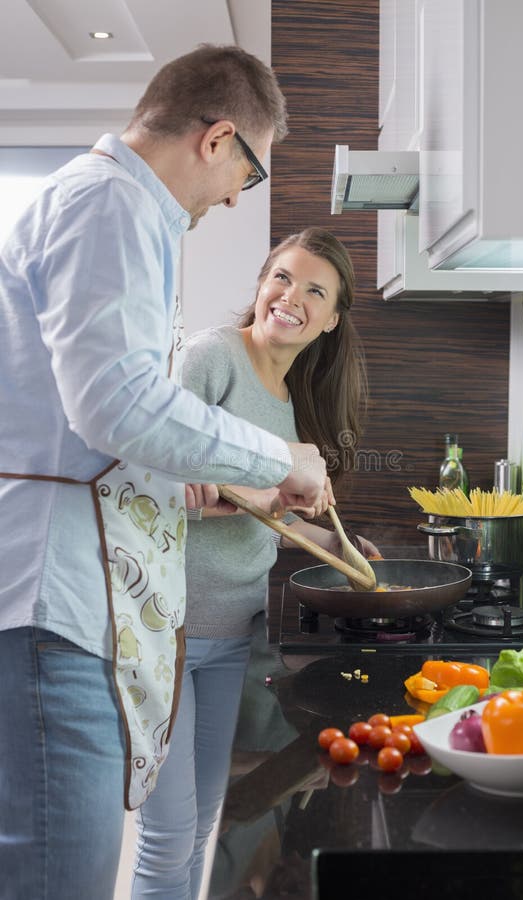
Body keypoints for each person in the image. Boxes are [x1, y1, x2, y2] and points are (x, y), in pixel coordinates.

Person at [0, 46, 333, 900]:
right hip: (55, 599)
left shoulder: (119, 210)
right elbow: (118, 404)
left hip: (76, 601)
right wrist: (278, 460)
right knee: (64, 875)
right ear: (217, 139)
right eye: (249, 173)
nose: (235, 198)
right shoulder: (109, 202)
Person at [131, 228, 378, 899]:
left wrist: (337, 546)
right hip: (168, 630)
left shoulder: (288, 401)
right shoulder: (212, 357)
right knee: (168, 832)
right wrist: (265, 495)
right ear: (262, 284)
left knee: (203, 824)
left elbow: (272, 516)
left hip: (231, 633)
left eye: (314, 291)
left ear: (331, 320)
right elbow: (150, 493)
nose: (291, 297)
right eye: (282, 278)